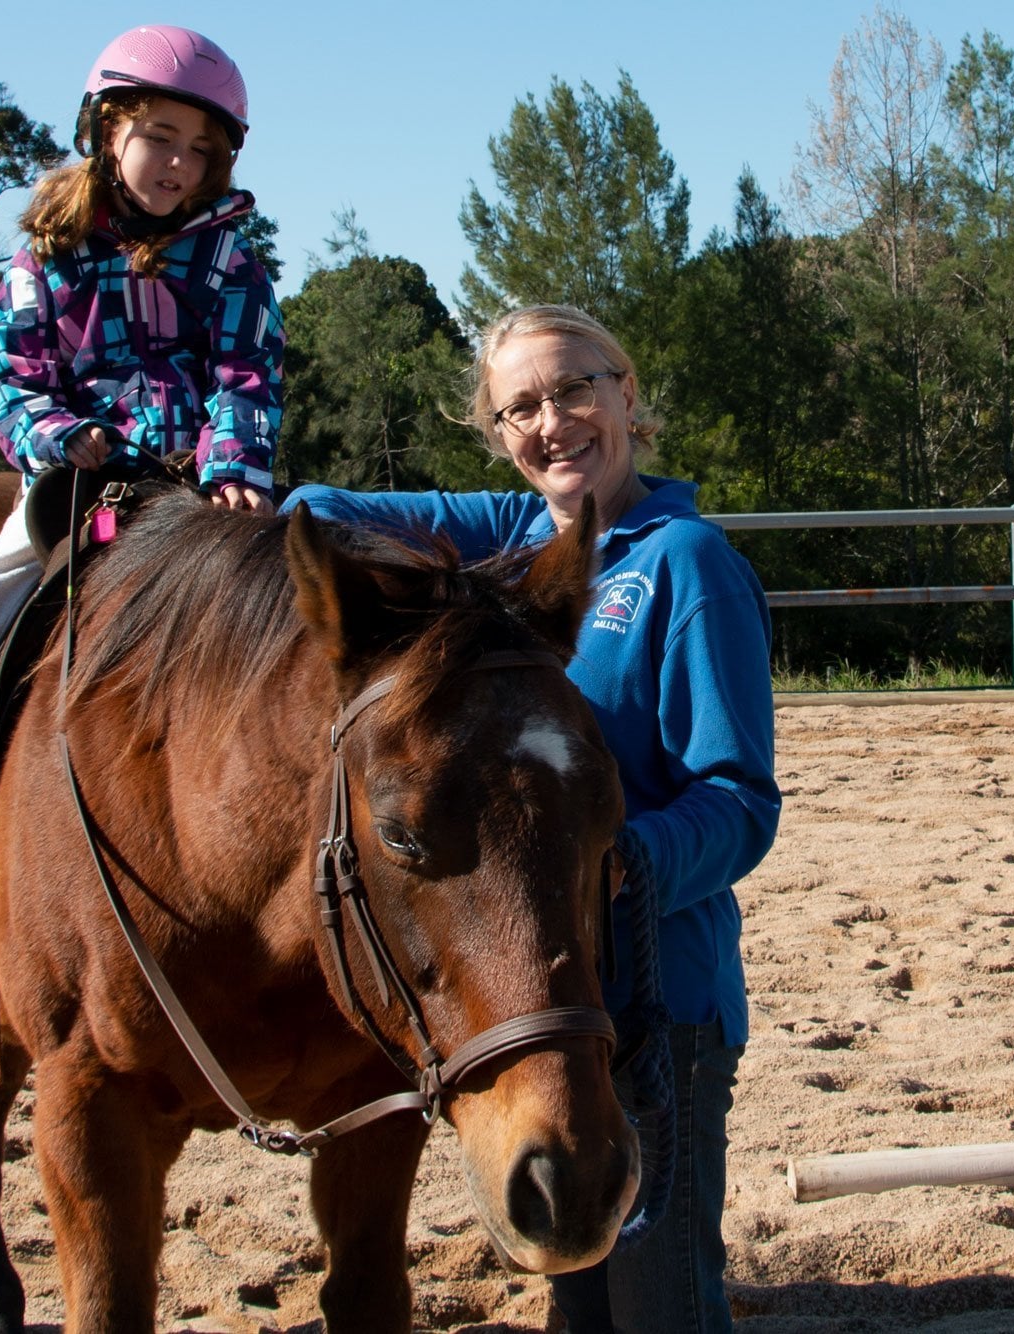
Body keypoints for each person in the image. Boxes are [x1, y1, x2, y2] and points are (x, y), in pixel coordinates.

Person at [284, 304, 780, 1333]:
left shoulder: (685, 564)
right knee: (578, 1307)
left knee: (660, 1310)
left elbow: (738, 801)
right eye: (521, 407)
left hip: (654, 1004)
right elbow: (316, 507)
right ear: (497, 434)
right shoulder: (514, 546)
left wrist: (616, 863)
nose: (553, 420)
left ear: (628, 395)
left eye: (576, 389)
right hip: (534, 1006)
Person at [0, 24, 284, 945]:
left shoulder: (233, 260)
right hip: (83, 483)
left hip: (197, 490)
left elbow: (247, 375)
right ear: (107, 131)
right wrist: (63, 438)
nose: (178, 164)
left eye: (201, 150)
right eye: (160, 138)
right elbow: (11, 376)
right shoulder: (44, 258)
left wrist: (233, 468)